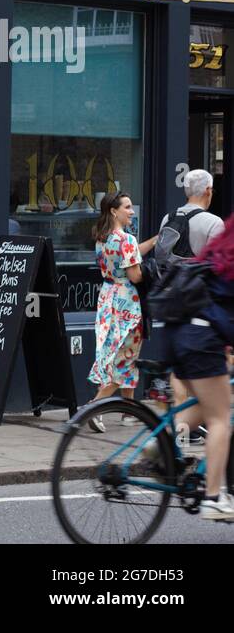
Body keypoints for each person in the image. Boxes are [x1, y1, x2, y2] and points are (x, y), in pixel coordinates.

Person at [167, 213, 234, 519]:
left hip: (180, 332)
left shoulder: (221, 248)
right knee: (222, 416)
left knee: (205, 405)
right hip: (202, 337)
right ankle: (214, 498)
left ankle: (159, 447)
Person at [151, 168, 225, 433]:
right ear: (208, 191)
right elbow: (220, 270)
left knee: (180, 373)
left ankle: (180, 434)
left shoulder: (166, 219)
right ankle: (189, 428)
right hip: (199, 309)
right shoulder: (214, 223)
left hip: (171, 306)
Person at [87, 192, 157, 432]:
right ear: (114, 211)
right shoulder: (125, 239)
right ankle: (94, 407)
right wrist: (151, 270)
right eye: (127, 207)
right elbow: (134, 274)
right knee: (126, 358)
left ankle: (129, 410)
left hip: (108, 300)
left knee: (120, 353)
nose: (132, 211)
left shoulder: (102, 238)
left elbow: (130, 253)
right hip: (127, 303)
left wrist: (154, 241)